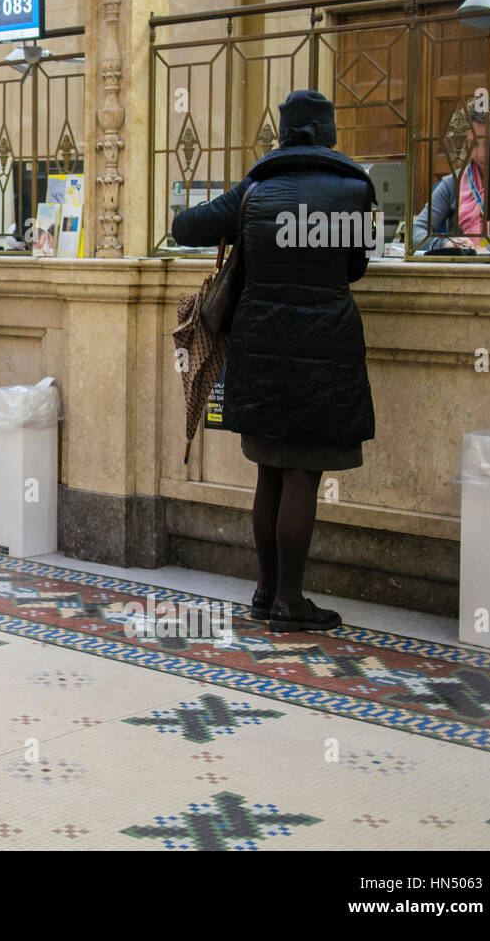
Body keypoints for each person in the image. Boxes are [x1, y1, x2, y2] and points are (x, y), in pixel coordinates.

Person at [170, 90, 375, 633]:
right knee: (304, 470)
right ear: (329, 132)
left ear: (282, 134)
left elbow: (183, 227)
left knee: (268, 470)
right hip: (324, 346)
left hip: (259, 345)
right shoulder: (354, 188)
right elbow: (356, 267)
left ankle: (264, 593)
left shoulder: (254, 189)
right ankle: (290, 600)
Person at [411, 98, 490, 255]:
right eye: (474, 144)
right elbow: (416, 231)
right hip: (461, 271)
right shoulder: (453, 183)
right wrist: (445, 243)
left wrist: (489, 249)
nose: (481, 155)